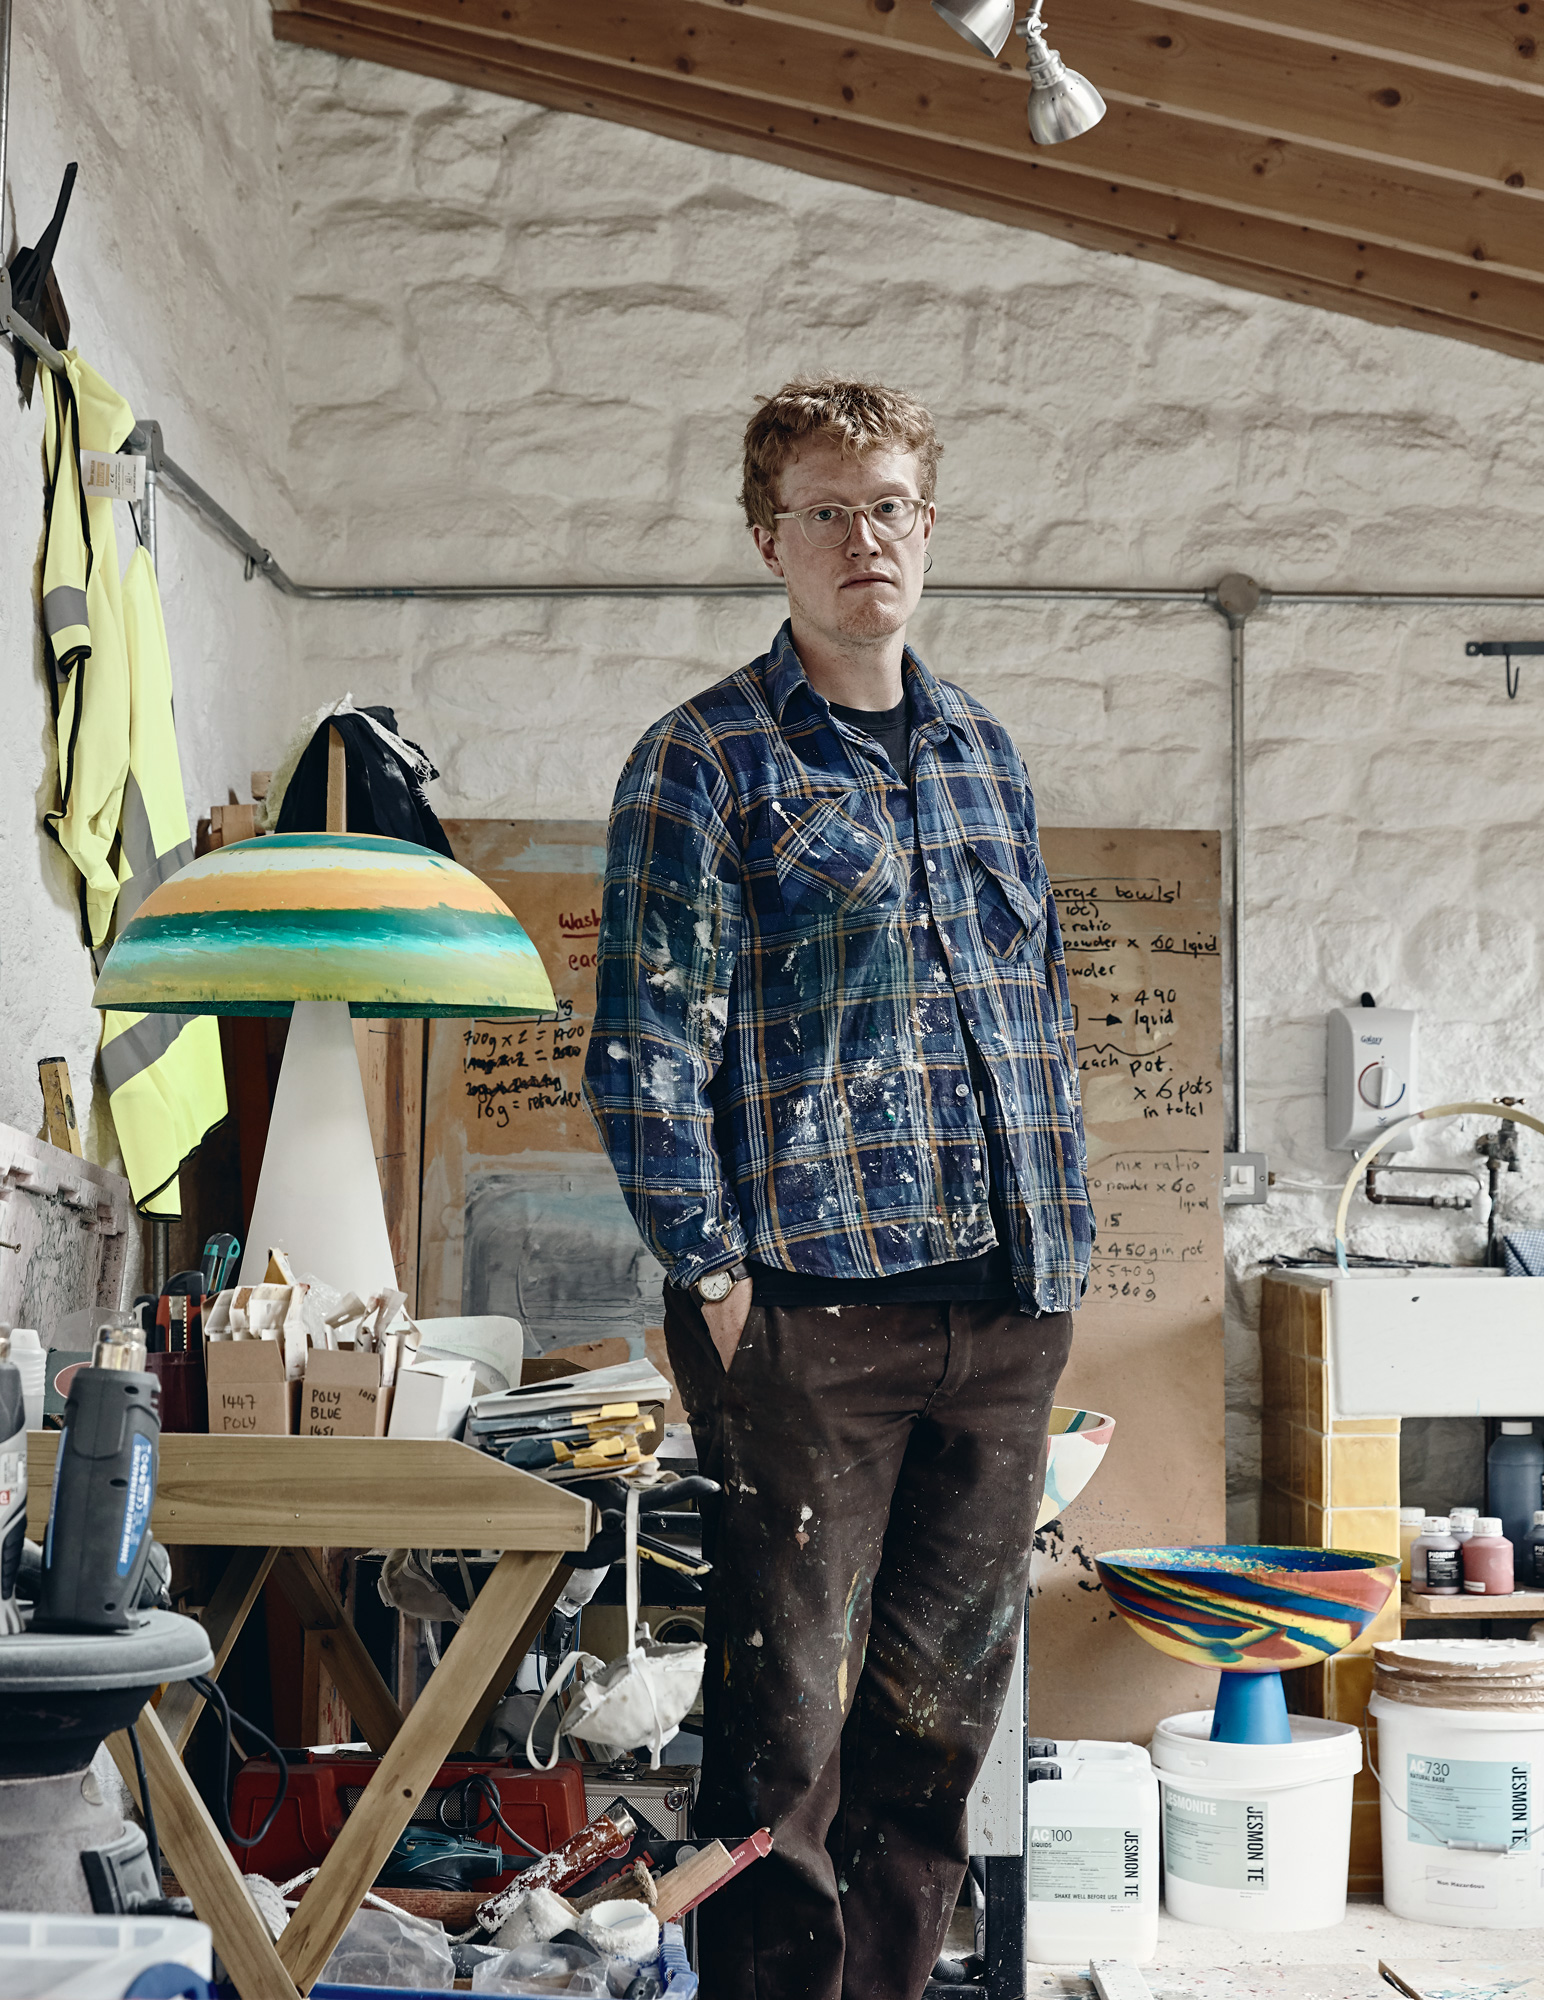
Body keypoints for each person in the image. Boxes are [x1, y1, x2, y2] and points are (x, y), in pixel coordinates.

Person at [583, 378, 1094, 2000]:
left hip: (1003, 1314)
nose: (863, 538)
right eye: (825, 511)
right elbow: (643, 1048)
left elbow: (1039, 1017)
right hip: (807, 1321)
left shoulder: (984, 754)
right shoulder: (706, 759)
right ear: (770, 540)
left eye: (889, 507)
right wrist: (717, 1279)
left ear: (926, 529)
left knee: (936, 1738)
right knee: (786, 1742)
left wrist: (1060, 1259)